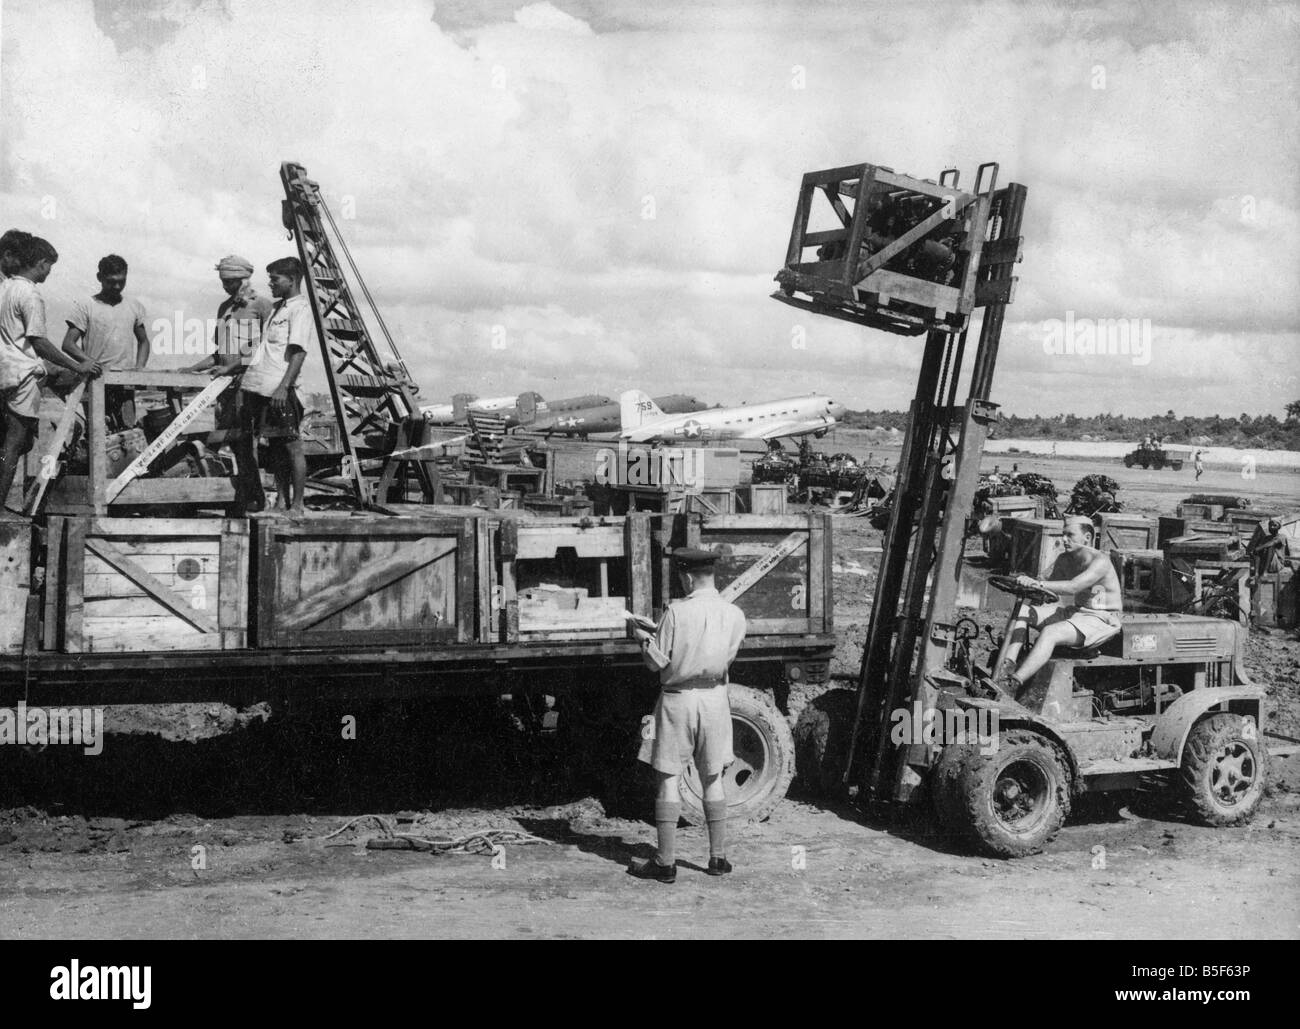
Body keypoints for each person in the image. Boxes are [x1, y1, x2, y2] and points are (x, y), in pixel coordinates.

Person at [628, 547, 747, 882]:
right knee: (713, 779)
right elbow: (728, 655)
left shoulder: (676, 613)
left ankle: (665, 864)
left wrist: (643, 639)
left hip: (678, 699)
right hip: (714, 699)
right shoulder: (735, 614)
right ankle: (717, 859)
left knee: (668, 779)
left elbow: (657, 663)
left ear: (687, 576)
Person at [0, 237, 100, 515]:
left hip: (4, 372)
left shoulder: (4, 287)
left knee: (9, 444)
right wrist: (76, 365)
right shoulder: (29, 294)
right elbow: (39, 342)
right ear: (41, 263)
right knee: (14, 444)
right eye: (49, 267)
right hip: (23, 375)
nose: (49, 272)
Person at [213, 256, 312, 517]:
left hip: (282, 389)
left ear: (291, 280)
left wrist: (283, 387)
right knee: (277, 448)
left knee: (292, 446)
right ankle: (281, 501)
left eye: (275, 279)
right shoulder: (278, 309)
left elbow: (298, 353)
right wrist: (229, 367)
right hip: (263, 388)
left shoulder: (299, 310)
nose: (270, 283)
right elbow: (258, 348)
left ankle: (298, 505)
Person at [994, 515, 1123, 698]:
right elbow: (1044, 584)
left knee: (1050, 632)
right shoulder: (1064, 559)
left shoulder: (1100, 561)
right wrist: (1026, 583)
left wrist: (1037, 585)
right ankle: (1006, 667)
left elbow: (1073, 586)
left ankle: (1013, 683)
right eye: (1063, 534)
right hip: (1076, 613)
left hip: (1101, 618)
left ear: (1087, 537)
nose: (1063, 539)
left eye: (1070, 535)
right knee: (1023, 611)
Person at [183, 255, 273, 437]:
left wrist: (229, 368)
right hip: (224, 388)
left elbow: (265, 349)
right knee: (224, 438)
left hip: (249, 387)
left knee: (247, 442)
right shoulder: (224, 308)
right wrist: (191, 369)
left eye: (229, 282)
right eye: (223, 282)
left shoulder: (262, 305)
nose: (225, 286)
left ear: (243, 279)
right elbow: (219, 354)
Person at [61, 254, 150, 431]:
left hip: (124, 385)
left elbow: (144, 341)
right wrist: (88, 362)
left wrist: (139, 368)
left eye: (121, 281)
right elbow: (68, 344)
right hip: (95, 381)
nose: (117, 286)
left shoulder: (134, 306)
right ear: (99, 277)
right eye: (111, 281)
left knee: (127, 434)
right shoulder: (86, 305)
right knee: (98, 432)